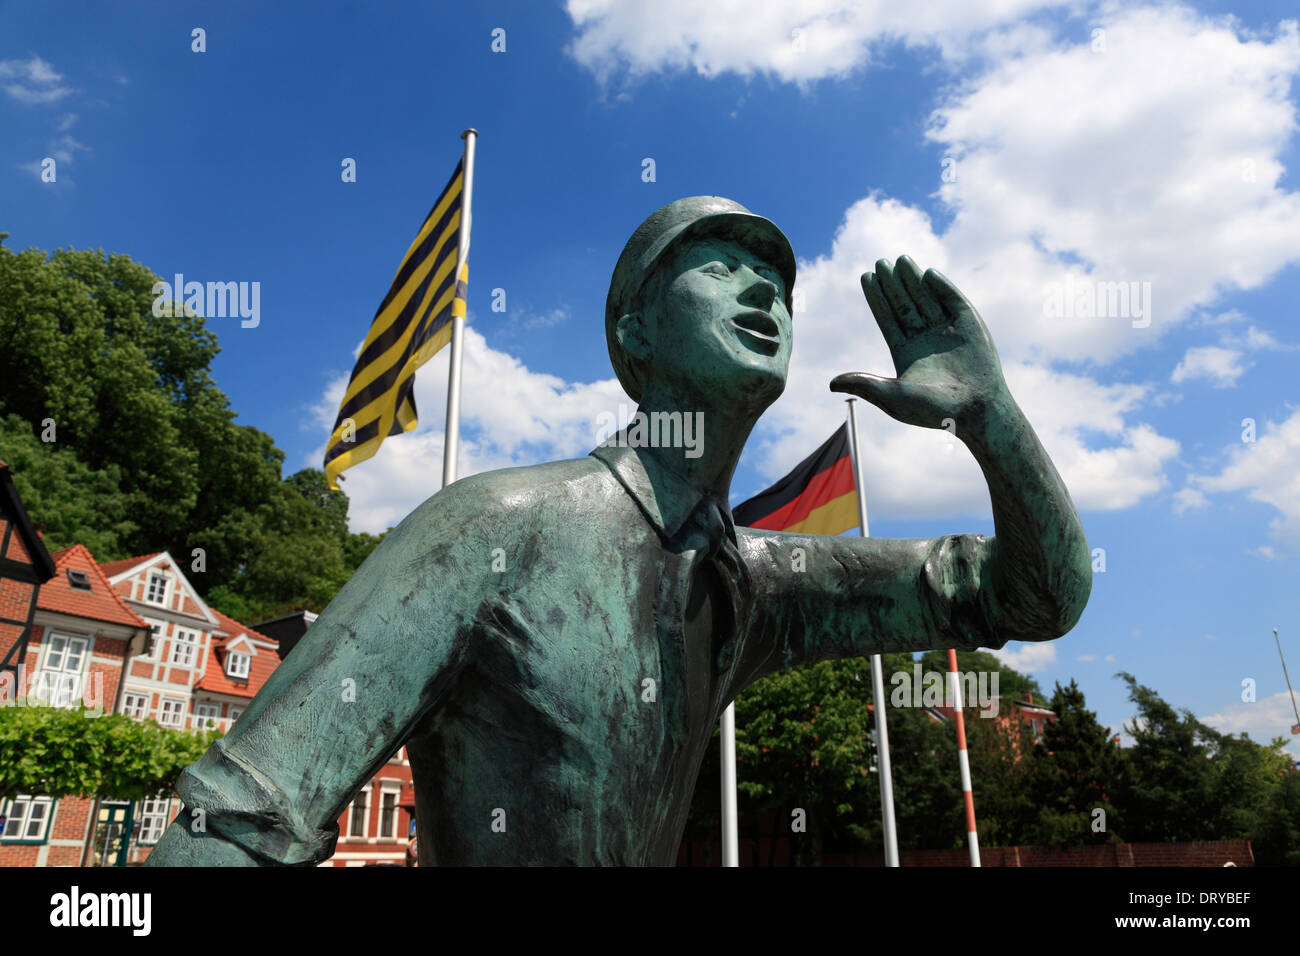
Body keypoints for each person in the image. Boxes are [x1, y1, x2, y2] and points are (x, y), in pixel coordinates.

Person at [147, 196, 1091, 866]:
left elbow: (1038, 597)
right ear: (634, 334)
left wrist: (990, 420)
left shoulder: (760, 585)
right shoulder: (491, 530)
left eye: (776, 284)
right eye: (721, 270)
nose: (763, 294)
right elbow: (231, 823)